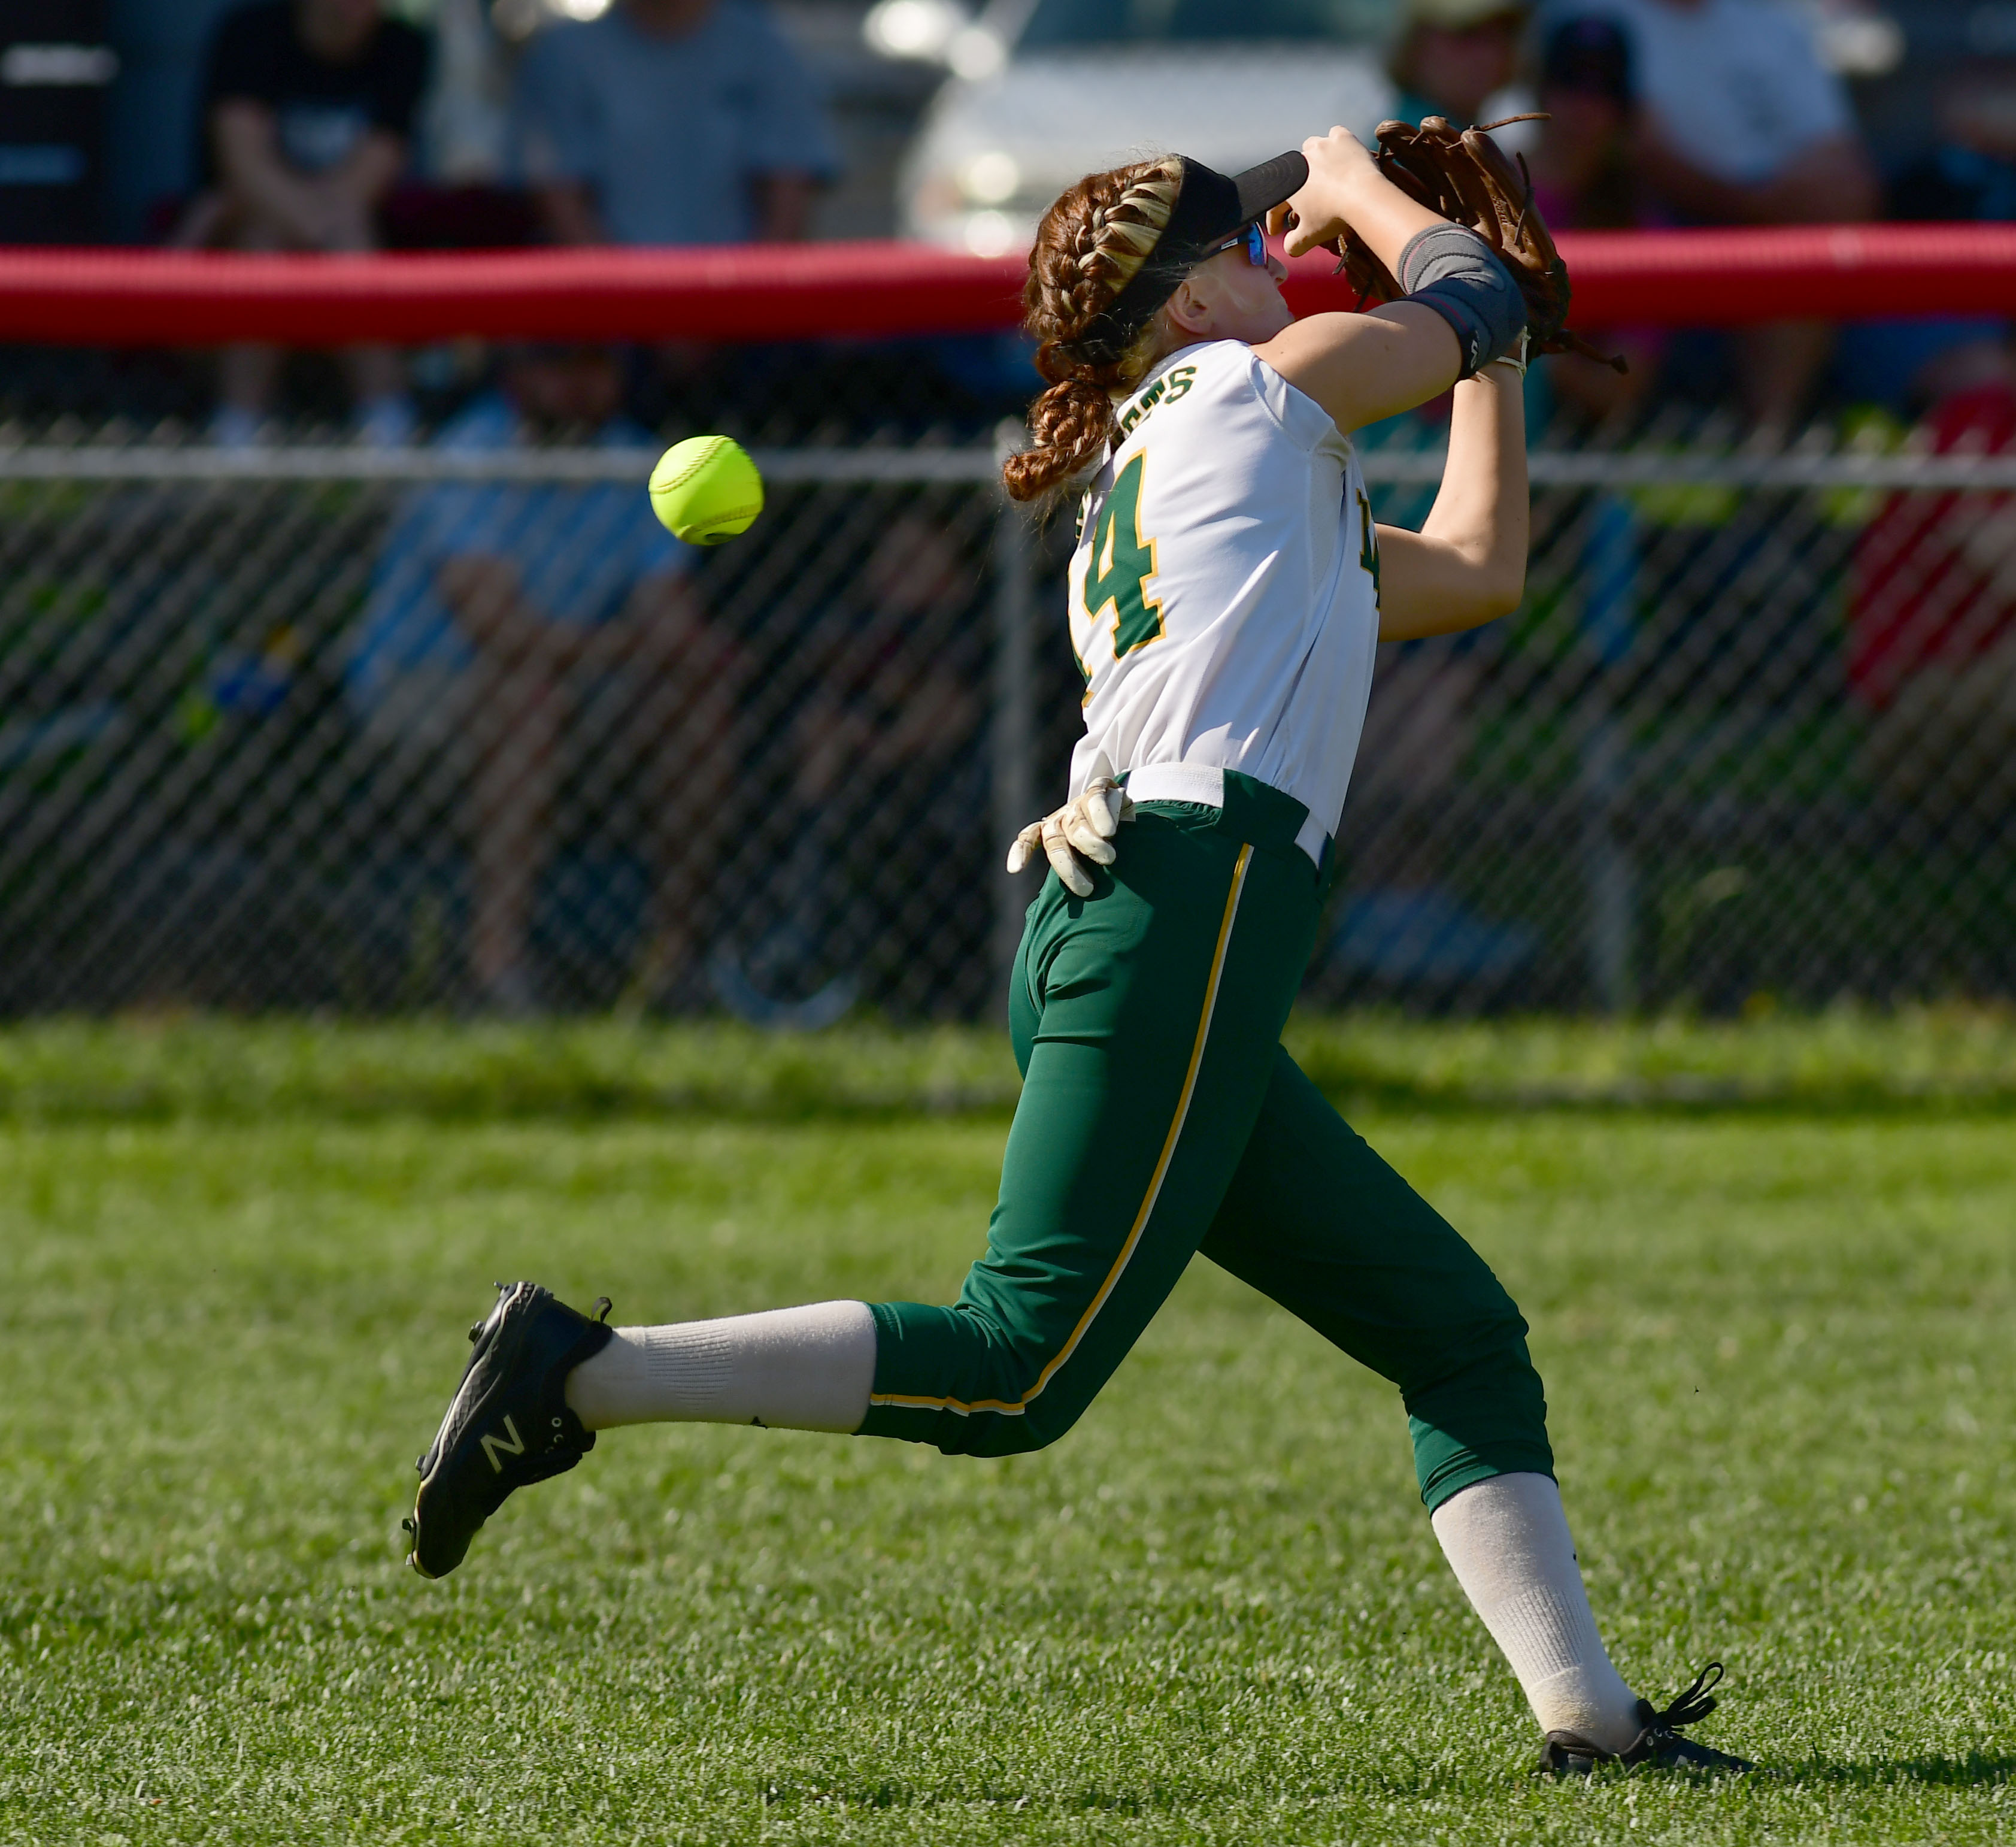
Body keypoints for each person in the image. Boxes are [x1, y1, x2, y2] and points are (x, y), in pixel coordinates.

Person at [402, 132, 1751, 1776]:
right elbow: (1450, 302)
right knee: (1016, 1363)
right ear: (1191, 298)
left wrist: (1488, 322)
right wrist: (1379, 195)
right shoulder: (1238, 402)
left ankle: (1589, 1722)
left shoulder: (1205, 441)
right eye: (1246, 242)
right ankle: (580, 1373)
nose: (1276, 249)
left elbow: (1476, 570)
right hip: (1180, 903)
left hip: (1157, 920)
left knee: (1452, 1332)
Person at [348, 344, 741, 1012]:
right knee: (525, 694)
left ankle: (672, 963)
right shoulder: (469, 455)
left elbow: (669, 622)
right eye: (558, 366)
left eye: (595, 368)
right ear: (518, 374)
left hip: (570, 686)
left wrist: (692, 652)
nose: (578, 388)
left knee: (692, 699)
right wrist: (637, 648)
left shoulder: (638, 462)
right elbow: (499, 632)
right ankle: (495, 970)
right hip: (419, 686)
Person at [1550, 0, 1876, 429]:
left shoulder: (1776, 28)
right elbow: (1639, 143)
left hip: (1762, 228)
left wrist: (1757, 207)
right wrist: (1748, 203)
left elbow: (1842, 167)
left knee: (1803, 257)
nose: (1585, 103)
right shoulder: (1592, 11)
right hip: (1638, 214)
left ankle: (1767, 463)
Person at [181, 0, 429, 446]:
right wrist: (322, 234)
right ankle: (239, 438)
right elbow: (242, 168)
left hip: (353, 253)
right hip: (237, 254)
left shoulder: (404, 46)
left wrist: (325, 236)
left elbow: (373, 173)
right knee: (267, 238)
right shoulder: (251, 33)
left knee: (341, 231)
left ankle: (385, 438)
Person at [508, 0, 839, 248]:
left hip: (743, 315)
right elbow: (559, 202)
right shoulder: (563, 57)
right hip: (607, 319)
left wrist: (729, 309)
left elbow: (788, 208)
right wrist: (639, 309)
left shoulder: (767, 53)